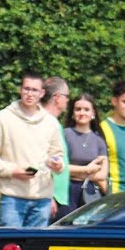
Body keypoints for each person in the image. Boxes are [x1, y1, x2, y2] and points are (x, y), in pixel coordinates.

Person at [0, 73, 64, 227]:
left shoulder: (51, 122)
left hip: (42, 198)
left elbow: (57, 155)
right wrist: (13, 170)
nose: (30, 94)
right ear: (20, 90)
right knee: (10, 246)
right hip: (12, 197)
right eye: (27, 89)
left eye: (35, 90)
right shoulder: (2, 118)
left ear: (42, 93)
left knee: (36, 249)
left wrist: (57, 164)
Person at [60, 92, 108, 216]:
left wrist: (75, 174)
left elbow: (102, 174)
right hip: (66, 191)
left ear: (93, 113)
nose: (82, 113)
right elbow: (60, 167)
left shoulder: (99, 140)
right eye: (78, 109)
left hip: (90, 193)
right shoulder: (63, 134)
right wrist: (87, 170)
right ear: (72, 112)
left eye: (86, 109)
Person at [43, 76, 73, 220]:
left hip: (60, 198)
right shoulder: (44, 123)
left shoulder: (55, 124)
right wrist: (49, 196)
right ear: (57, 98)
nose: (68, 100)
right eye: (66, 96)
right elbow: (40, 160)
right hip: (50, 198)